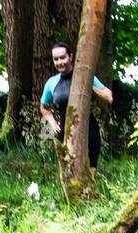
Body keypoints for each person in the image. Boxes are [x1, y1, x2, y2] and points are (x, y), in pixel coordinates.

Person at [39, 40, 113, 175]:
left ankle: (88, 196)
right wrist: (53, 123)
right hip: (65, 134)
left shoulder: (85, 75)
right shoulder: (51, 83)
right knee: (69, 174)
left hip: (88, 130)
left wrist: (90, 85)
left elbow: (109, 96)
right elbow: (44, 108)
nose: (60, 62)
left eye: (63, 57)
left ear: (71, 57)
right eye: (56, 59)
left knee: (88, 174)